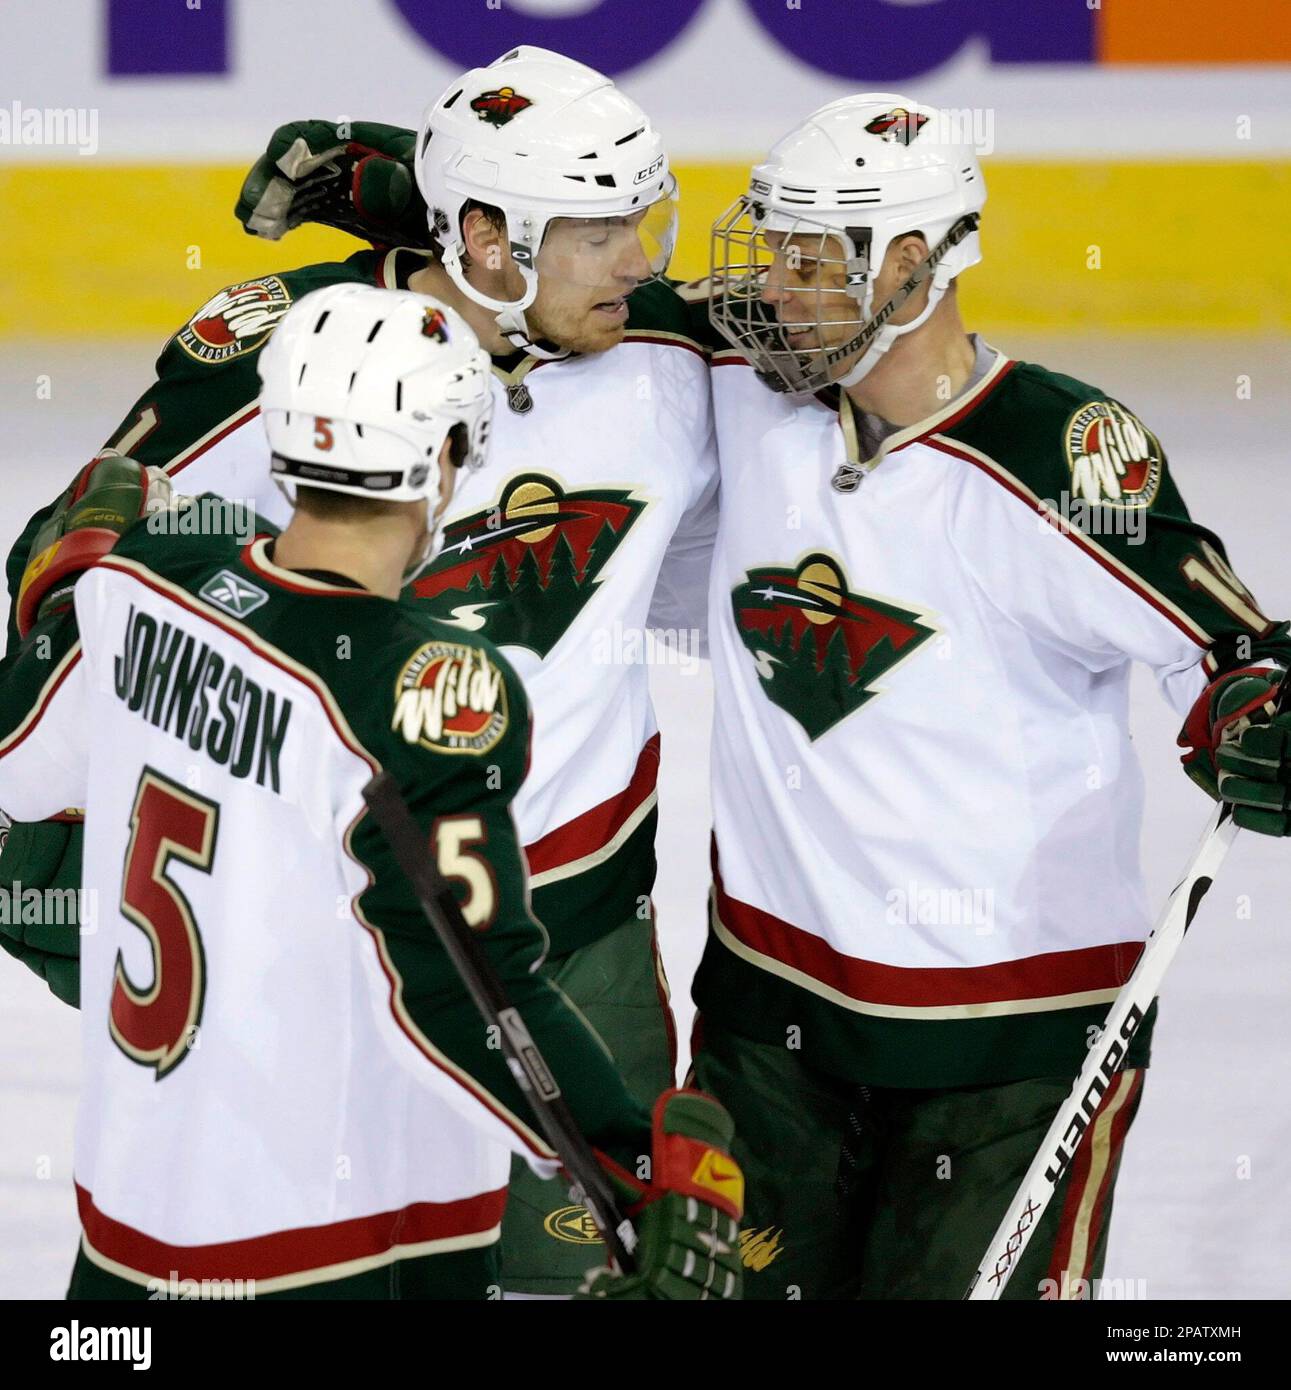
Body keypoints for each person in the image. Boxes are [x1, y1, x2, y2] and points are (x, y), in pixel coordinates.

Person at [2, 45, 719, 1296]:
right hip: (341, 936)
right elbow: (56, 578)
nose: (645, 262)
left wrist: (404, 173)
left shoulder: (664, 348)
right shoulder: (275, 368)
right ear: (492, 235)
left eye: (642, 223)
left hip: (580, 927)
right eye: (605, 231)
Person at [683, 92, 1291, 1299]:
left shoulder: (1051, 451)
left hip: (1013, 1051)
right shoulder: (746, 393)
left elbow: (1229, 652)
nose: (771, 284)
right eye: (775, 243)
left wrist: (1256, 715)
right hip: (770, 1028)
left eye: (809, 257)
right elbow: (566, 296)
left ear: (909, 266)